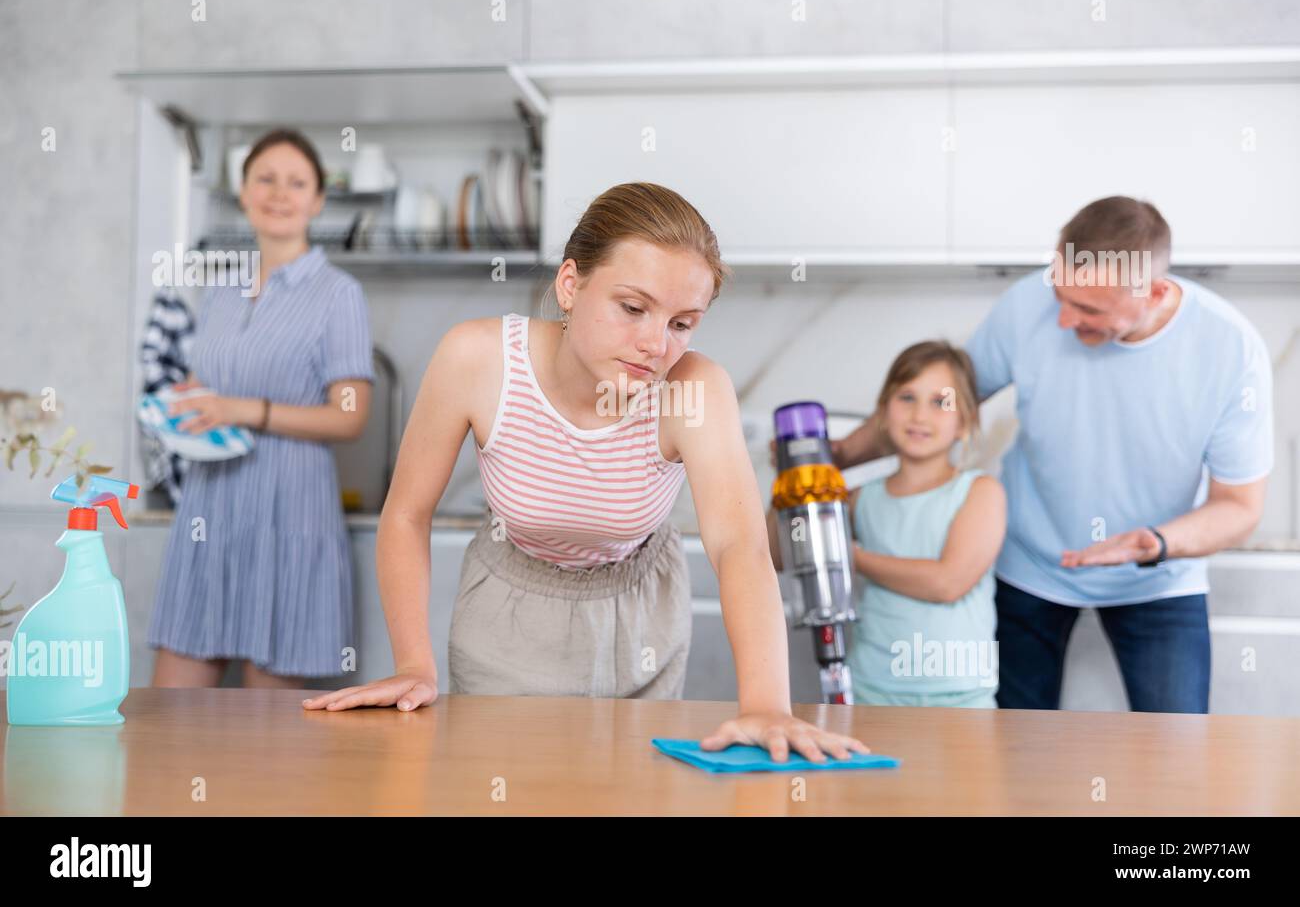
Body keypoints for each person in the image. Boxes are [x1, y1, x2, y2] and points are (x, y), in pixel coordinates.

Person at [305, 182, 869, 763]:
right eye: (632, 308)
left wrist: (768, 704)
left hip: (641, 617)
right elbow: (406, 513)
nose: (655, 344)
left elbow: (740, 547)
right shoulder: (477, 358)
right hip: (507, 613)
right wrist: (413, 666)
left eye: (682, 323)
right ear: (570, 285)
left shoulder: (692, 389)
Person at [832, 196, 1272, 713]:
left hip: (1157, 578)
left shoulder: (1230, 349)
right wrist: (833, 454)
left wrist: (1155, 542)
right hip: (1030, 567)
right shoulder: (1026, 305)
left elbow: (1240, 506)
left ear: (1152, 292)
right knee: (1020, 755)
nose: (1063, 319)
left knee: (1177, 752)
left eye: (1088, 309)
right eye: (1060, 294)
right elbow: (943, 404)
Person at [149, 128, 374, 689]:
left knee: (271, 746)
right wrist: (182, 403)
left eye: (296, 182)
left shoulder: (338, 294)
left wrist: (245, 410)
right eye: (265, 179)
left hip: (289, 513)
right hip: (209, 508)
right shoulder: (221, 293)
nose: (279, 193)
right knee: (168, 720)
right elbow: (206, 387)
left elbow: (350, 414)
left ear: (317, 200)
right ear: (243, 192)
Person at [774, 342, 1006, 707]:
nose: (920, 415)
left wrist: (852, 557)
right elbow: (780, 554)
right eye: (907, 397)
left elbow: (947, 583)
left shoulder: (980, 492)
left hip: (962, 700)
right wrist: (794, 479)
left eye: (940, 402)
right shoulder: (860, 498)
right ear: (882, 412)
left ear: (964, 422)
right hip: (871, 693)